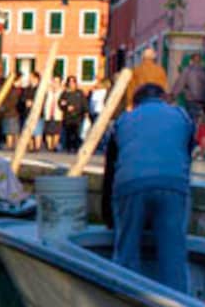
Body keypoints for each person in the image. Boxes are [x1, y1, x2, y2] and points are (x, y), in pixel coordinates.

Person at [101, 83, 194, 292]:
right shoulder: (181, 116)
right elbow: (187, 155)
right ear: (163, 98)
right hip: (173, 184)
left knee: (127, 251)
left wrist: (108, 215)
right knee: (174, 255)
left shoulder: (123, 121)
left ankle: (127, 299)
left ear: (135, 103)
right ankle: (178, 306)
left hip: (130, 185)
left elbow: (111, 170)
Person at [58, 75, 88, 151]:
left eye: (73, 82)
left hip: (78, 115)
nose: (71, 84)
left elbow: (84, 103)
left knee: (77, 132)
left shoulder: (79, 92)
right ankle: (68, 147)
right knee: (68, 132)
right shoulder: (65, 93)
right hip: (68, 116)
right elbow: (60, 103)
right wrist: (66, 107)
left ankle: (76, 147)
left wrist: (86, 111)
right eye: (70, 82)